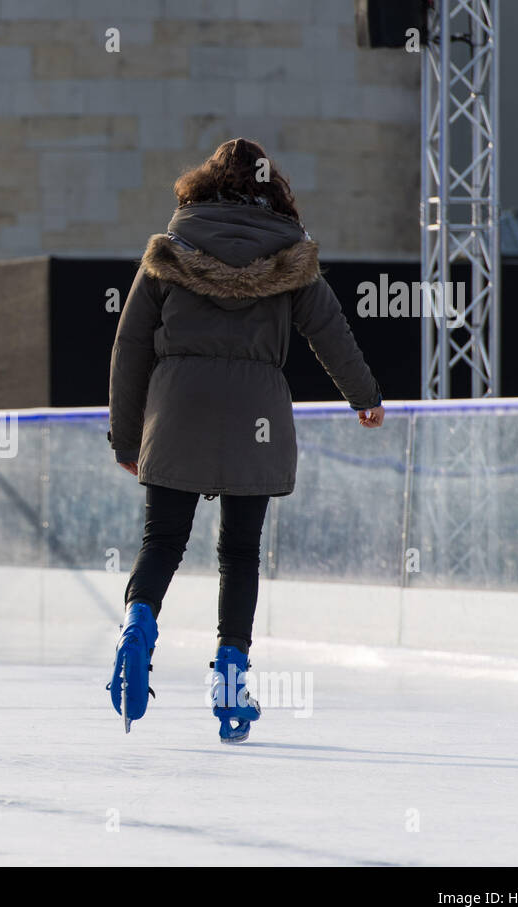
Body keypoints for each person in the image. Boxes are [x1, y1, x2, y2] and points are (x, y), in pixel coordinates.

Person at [106, 137, 384, 742]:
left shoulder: (168, 251)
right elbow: (329, 331)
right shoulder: (291, 255)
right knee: (238, 553)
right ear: (270, 188)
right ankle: (231, 687)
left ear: (202, 184)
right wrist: (364, 398)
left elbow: (129, 344)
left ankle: (138, 626)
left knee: (162, 541)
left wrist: (127, 439)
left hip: (177, 405)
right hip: (255, 410)